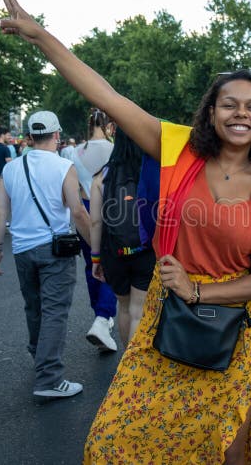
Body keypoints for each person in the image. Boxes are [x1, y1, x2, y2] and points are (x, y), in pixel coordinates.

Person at [0, 0, 251, 464]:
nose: (240, 113)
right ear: (210, 113)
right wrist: (40, 37)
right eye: (229, 104)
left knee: (223, 449)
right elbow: (105, 95)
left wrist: (197, 290)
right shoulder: (178, 150)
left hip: (235, 332)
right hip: (165, 317)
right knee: (112, 442)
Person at [0, 110, 91, 399]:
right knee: (55, 311)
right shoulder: (63, 167)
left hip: (22, 249)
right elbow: (78, 212)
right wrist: (95, 250)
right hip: (55, 249)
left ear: (30, 137)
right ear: (57, 135)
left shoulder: (11, 169)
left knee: (34, 307)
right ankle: (49, 377)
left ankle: (40, 355)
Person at [89, 126, 155, 347]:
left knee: (124, 308)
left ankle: (125, 363)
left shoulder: (102, 175)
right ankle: (134, 370)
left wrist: (96, 258)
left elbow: (96, 221)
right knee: (139, 311)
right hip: (144, 251)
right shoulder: (148, 171)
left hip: (113, 253)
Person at [71, 108, 120, 353]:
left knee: (92, 263)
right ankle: (103, 317)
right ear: (109, 125)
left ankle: (101, 317)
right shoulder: (114, 150)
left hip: (84, 207)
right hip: (110, 207)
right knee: (109, 263)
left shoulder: (73, 152)